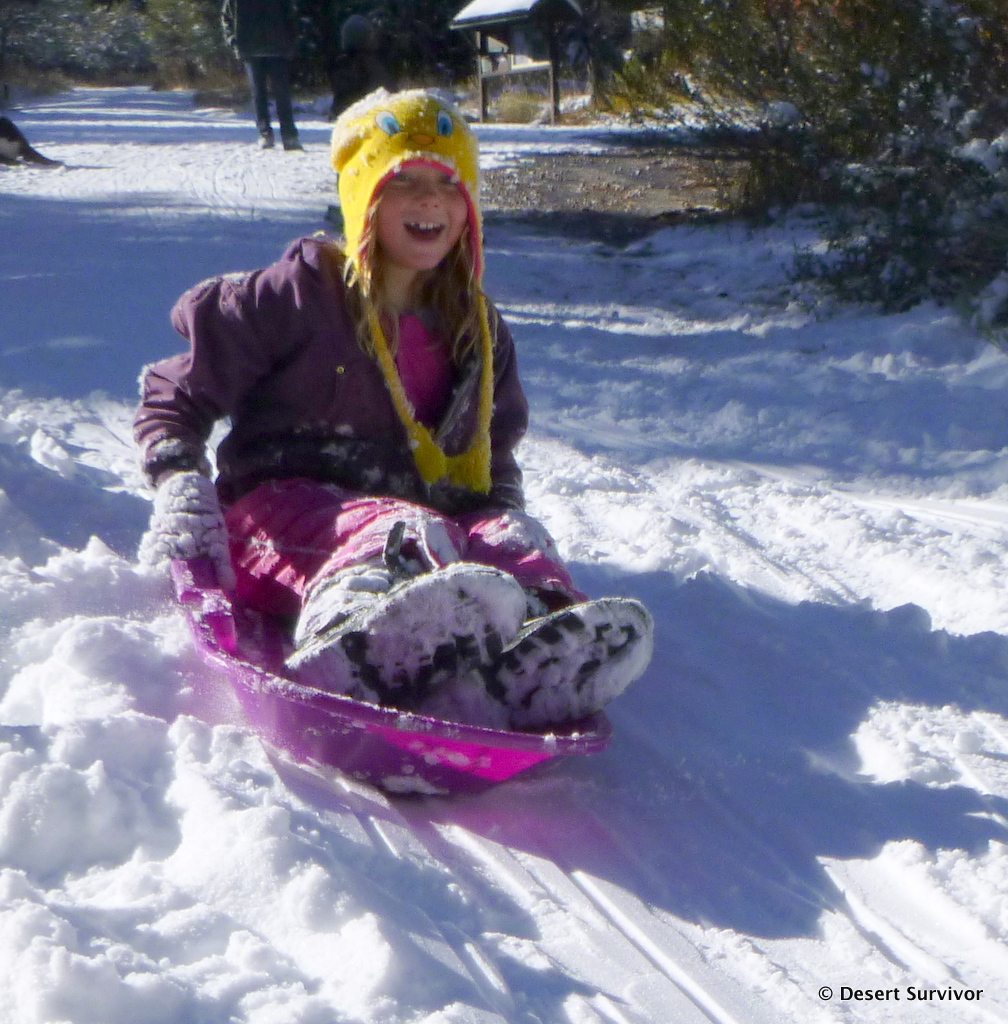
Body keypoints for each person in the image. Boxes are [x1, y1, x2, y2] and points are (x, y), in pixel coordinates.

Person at [134, 88, 653, 730]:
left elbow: (495, 449)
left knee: (506, 542)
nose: (429, 199)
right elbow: (178, 390)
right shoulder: (297, 295)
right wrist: (180, 478)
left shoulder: (477, 326)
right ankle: (351, 639)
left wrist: (500, 526)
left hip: (428, 530)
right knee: (398, 532)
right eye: (404, 180)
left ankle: (535, 650)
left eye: (446, 182)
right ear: (364, 194)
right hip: (282, 519)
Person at [222, 0, 302, 150]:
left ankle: (289, 136)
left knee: (282, 94)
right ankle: (265, 134)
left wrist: (291, 41)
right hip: (250, 50)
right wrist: (233, 41)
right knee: (259, 94)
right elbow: (226, 16)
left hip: (278, 48)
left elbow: (291, 14)